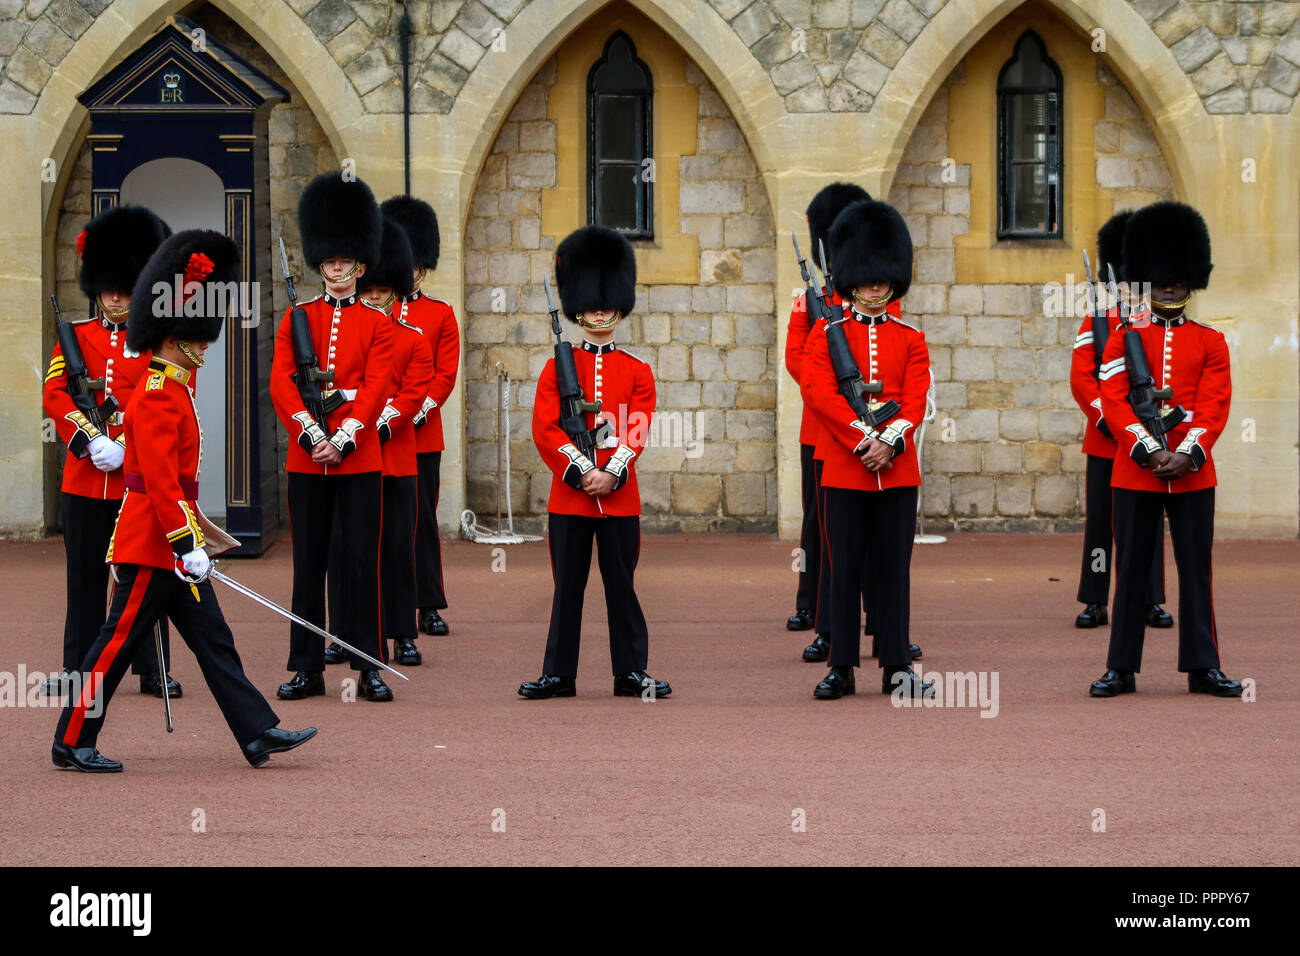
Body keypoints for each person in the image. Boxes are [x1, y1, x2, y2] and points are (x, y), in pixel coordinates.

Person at [52, 229, 317, 772]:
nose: (204, 347)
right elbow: (158, 480)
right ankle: (72, 738)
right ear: (173, 340)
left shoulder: (172, 387)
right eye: (197, 341)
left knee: (214, 640)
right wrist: (182, 541)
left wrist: (193, 538)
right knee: (115, 644)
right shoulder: (155, 396)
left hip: (174, 544)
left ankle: (256, 731)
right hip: (154, 546)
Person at [1090, 201, 1241, 698]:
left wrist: (1186, 454)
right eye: (1161, 277)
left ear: (1191, 280)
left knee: (1196, 570)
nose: (1170, 284)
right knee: (1132, 569)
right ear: (1147, 281)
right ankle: (1121, 667)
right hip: (1137, 471)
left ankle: (1203, 665)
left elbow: (1214, 406)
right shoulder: (1121, 338)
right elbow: (1113, 401)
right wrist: (1150, 450)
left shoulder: (1211, 342)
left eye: (1178, 277)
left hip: (1193, 472)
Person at [518, 226, 670, 700]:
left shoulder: (637, 371)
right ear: (579, 310)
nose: (600, 312)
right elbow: (546, 427)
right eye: (591, 305)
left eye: (607, 305)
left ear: (619, 309)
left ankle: (630, 672)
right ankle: (559, 674)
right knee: (567, 591)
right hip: (571, 498)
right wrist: (582, 471)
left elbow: (637, 427)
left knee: (621, 588)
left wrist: (612, 471)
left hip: (619, 498)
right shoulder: (555, 369)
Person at [41, 204, 180, 700]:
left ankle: (152, 665)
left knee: (142, 575)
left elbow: (161, 403)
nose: (116, 297)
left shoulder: (156, 343)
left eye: (124, 287)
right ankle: (78, 668)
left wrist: (123, 445)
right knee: (84, 580)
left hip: (133, 479)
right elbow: (56, 395)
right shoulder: (76, 338)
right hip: (84, 476)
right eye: (109, 288)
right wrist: (89, 438)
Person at [270, 173, 395, 702]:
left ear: (360, 265)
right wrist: (306, 433)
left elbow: (375, 387)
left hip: (359, 458)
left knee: (362, 562)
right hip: (307, 462)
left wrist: (342, 437)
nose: (337, 268)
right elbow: (281, 382)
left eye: (346, 261)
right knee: (309, 566)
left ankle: (368, 666)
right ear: (320, 264)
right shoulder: (296, 318)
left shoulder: (379, 324)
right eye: (330, 261)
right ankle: (307, 666)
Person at [800, 199, 932, 700]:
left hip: (897, 473)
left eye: (883, 278)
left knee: (893, 571)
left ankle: (897, 666)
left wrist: (889, 440)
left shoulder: (911, 338)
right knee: (844, 568)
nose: (875, 286)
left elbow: (916, 398)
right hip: (845, 470)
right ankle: (842, 667)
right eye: (867, 278)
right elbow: (819, 394)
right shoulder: (825, 335)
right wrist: (862, 439)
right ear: (852, 279)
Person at [325, 216, 434, 668]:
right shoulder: (345, 332)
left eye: (381, 293)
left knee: (395, 550)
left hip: (395, 457)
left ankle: (402, 632)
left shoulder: (412, 340)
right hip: (351, 460)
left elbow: (413, 394)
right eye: (368, 292)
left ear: (393, 292)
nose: (373, 299)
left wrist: (370, 424)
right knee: (345, 548)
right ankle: (345, 632)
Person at [1070, 210, 1172, 630]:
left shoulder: (1158, 323)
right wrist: (1111, 420)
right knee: (1101, 524)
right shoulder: (1099, 319)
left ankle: (1150, 598)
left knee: (1147, 521)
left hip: (1148, 440)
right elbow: (1082, 379)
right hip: (1107, 440)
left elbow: (1166, 377)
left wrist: (1149, 428)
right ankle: (1096, 599)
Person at [381, 196, 460, 639]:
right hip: (377, 434)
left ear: (422, 269)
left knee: (422, 522)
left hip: (420, 434)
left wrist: (412, 413)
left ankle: (427, 603)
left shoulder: (440, 314)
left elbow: (444, 375)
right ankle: (386, 604)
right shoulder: (378, 313)